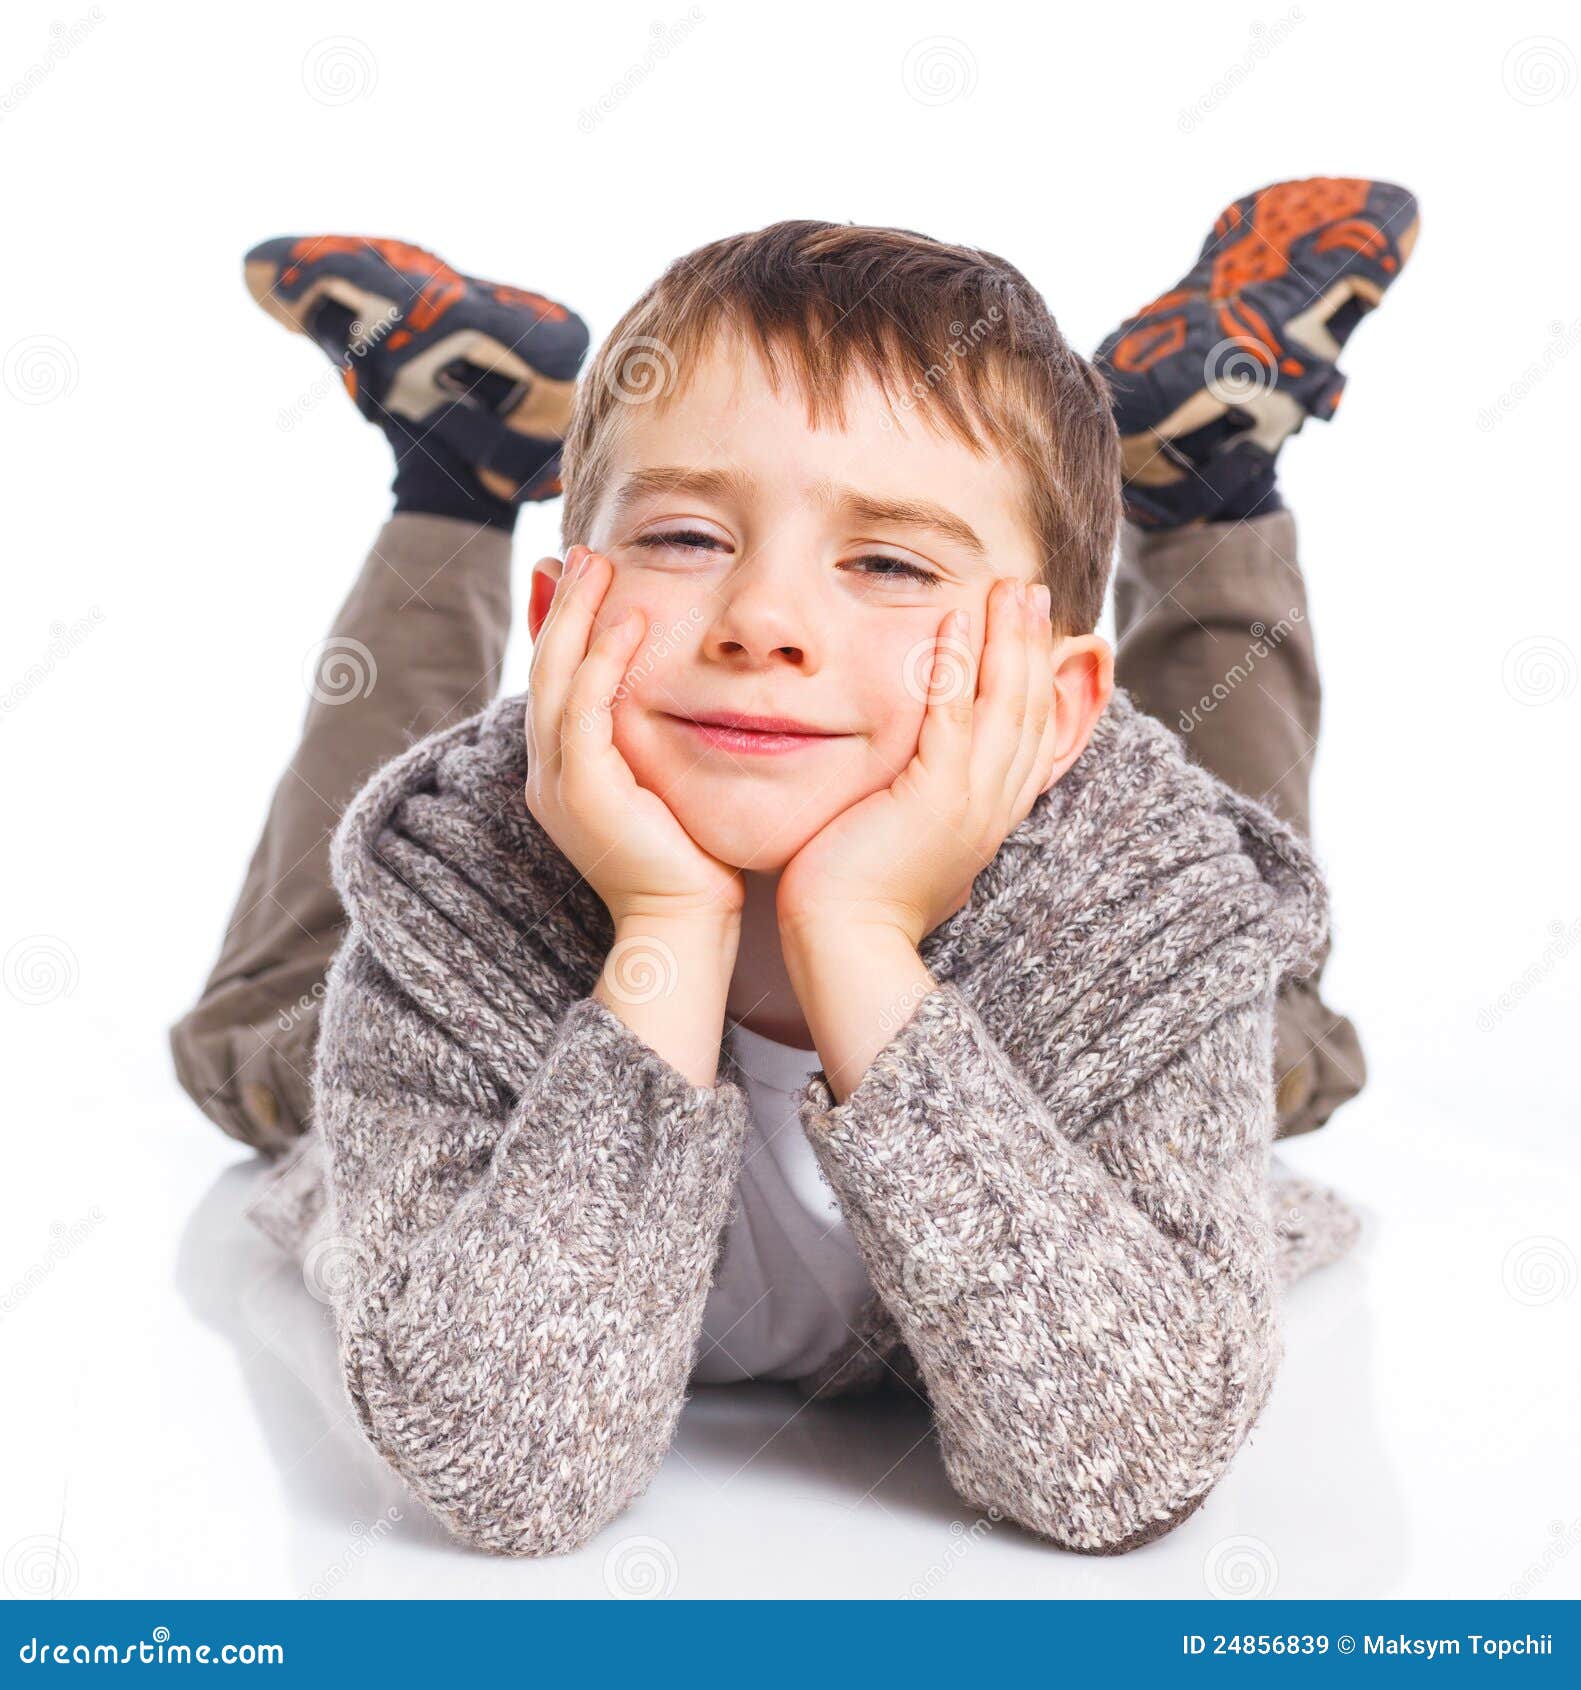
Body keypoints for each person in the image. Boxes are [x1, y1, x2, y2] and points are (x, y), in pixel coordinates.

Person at [168, 178, 1418, 1557]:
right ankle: (457, 463)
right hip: (496, 901)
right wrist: (663, 925)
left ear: (1057, 699)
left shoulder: (1144, 894)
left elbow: (1122, 1469)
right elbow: (507, 1469)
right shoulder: (459, 882)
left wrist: (860, 939)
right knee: (270, 1050)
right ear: (564, 618)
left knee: (1269, 1020)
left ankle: (1216, 479)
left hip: (1103, 916)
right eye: (685, 537)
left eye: (888, 562)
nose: (763, 617)